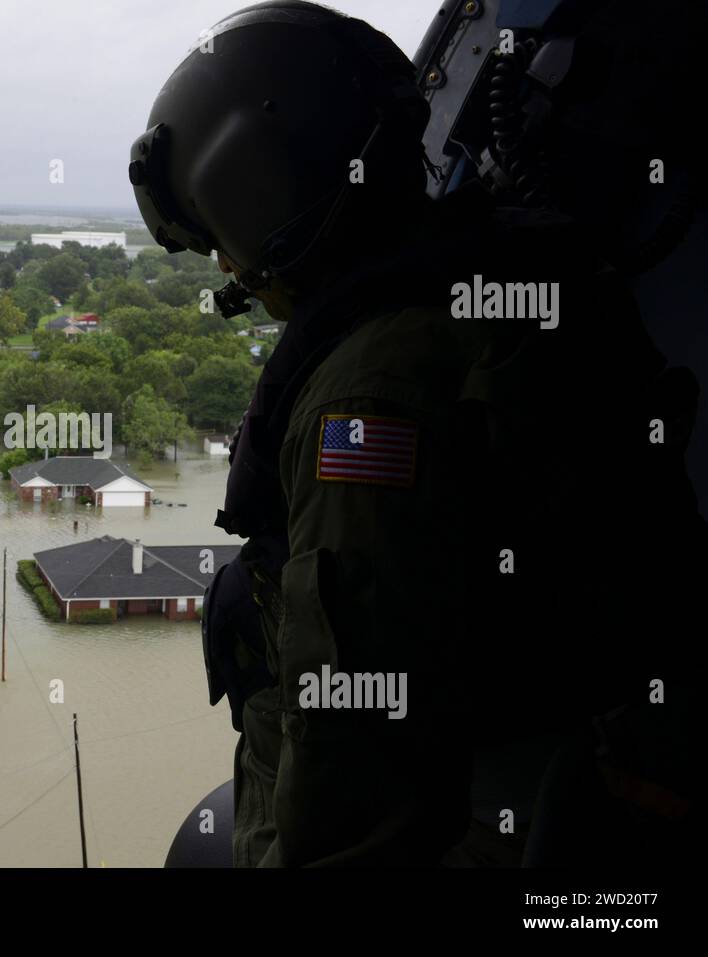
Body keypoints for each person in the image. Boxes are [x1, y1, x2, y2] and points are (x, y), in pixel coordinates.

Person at [131, 1, 702, 866]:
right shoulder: (505, 277)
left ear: (258, 190)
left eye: (220, 240)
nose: (226, 267)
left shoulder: (369, 396)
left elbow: (353, 793)